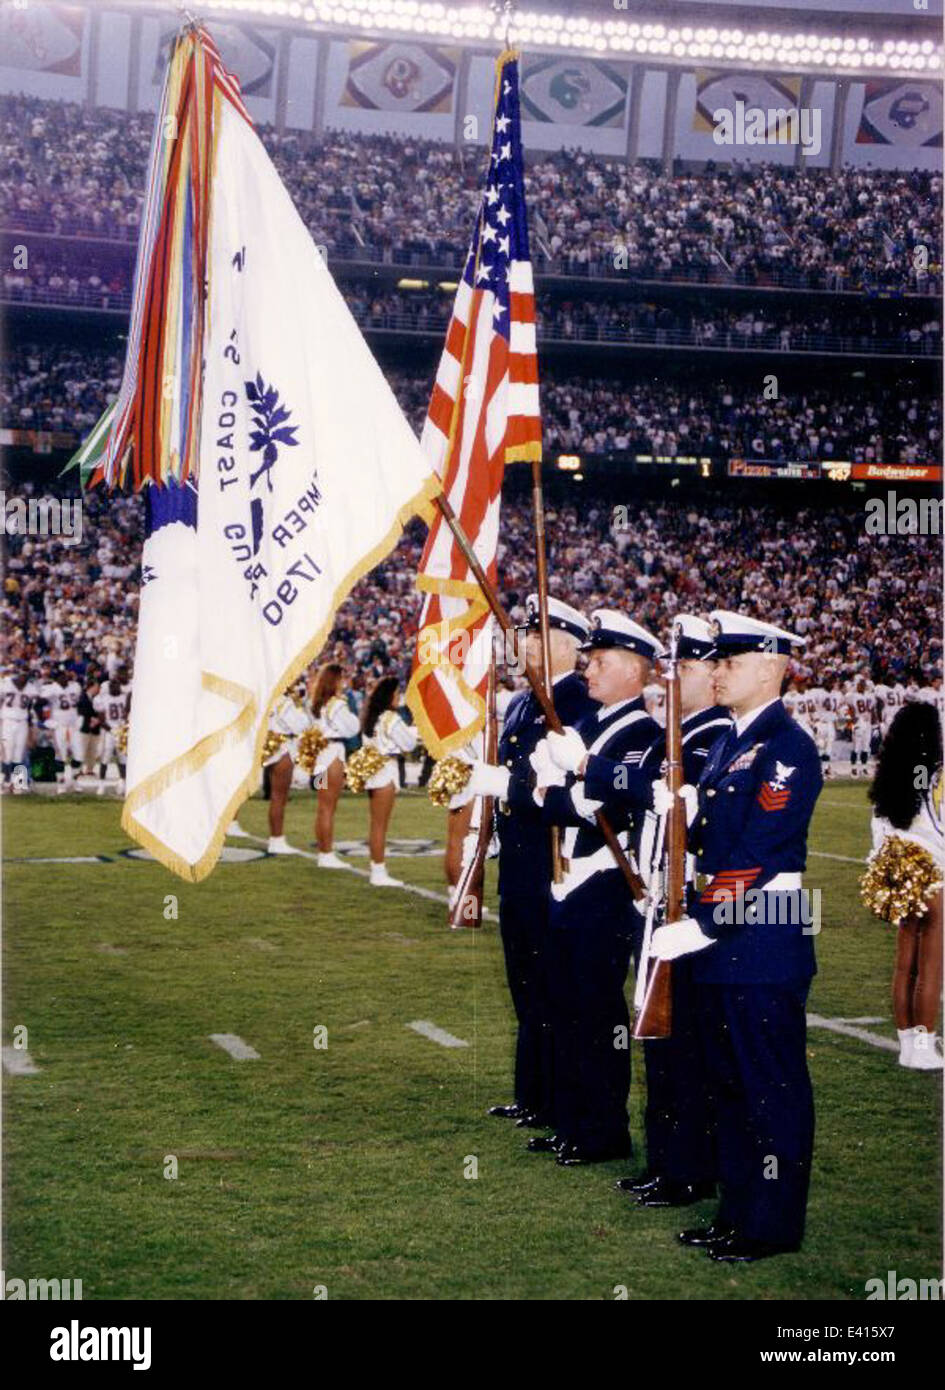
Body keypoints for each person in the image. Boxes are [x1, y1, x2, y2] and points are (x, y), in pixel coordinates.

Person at [652, 610, 822, 1263]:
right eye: (714, 661)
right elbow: (715, 840)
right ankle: (735, 1211)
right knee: (727, 1081)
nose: (715, 671)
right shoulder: (730, 741)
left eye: (728, 661)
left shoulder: (785, 746)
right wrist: (683, 817)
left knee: (767, 1084)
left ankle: (768, 1225)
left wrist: (701, 921)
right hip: (726, 937)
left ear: (771, 666)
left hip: (764, 934)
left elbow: (762, 853)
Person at [548, 613, 731, 1206]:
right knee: (659, 1032)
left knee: (680, 1037)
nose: (677, 676)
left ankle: (687, 1166)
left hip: (690, 899)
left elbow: (641, 781)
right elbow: (637, 780)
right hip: (656, 895)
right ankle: (668, 1162)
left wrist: (588, 769)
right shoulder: (679, 732)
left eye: (692, 665)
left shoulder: (709, 736)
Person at [454, 595, 597, 1129]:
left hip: (553, 863)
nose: (523, 643)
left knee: (554, 983)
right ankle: (533, 1095)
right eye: (523, 633)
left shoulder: (577, 701)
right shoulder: (520, 702)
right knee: (524, 980)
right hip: (518, 860)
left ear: (565, 644)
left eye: (535, 635)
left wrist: (506, 784)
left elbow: (571, 785)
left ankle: (558, 1100)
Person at [530, 610, 664, 1165]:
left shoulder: (642, 733)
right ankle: (573, 1119)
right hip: (569, 881)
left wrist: (556, 795)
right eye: (588, 660)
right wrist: (557, 795)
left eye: (601, 662)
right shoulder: (589, 726)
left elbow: (598, 806)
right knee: (566, 1004)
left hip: (605, 882)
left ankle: (604, 1129)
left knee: (595, 1008)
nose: (588, 671)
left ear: (635, 670)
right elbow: (558, 798)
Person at [867, 702, 943, 1070]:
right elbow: (932, 819)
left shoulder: (888, 772)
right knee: (931, 966)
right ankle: (925, 1047)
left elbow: (881, 826)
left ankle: (907, 1045)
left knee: (905, 964)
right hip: (930, 872)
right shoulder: (927, 772)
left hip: (897, 869)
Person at [360, 675, 418, 887]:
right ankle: (378, 871)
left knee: (376, 824)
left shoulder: (373, 716)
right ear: (389, 695)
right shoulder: (391, 718)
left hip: (376, 769)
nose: (398, 697)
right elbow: (410, 743)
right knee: (380, 825)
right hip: (385, 770)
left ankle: (377, 869)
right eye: (396, 693)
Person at [310, 662, 360, 869]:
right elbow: (353, 728)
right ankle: (326, 854)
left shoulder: (319, 703)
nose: (345, 682)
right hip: (333, 758)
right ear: (336, 680)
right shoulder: (337, 704)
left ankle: (324, 852)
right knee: (329, 808)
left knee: (322, 807)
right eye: (342, 678)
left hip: (321, 759)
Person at [263, 689, 313, 855]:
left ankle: (276, 839)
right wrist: (300, 709)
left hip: (270, 744)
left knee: (277, 796)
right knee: (279, 797)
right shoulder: (283, 701)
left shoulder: (269, 696)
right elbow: (300, 725)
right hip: (282, 747)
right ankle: (276, 839)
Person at [92, 676, 129, 796]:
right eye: (112, 685)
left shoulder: (124, 698)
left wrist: (123, 729)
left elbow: (128, 715)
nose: (115, 687)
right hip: (109, 732)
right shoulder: (104, 699)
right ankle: (101, 784)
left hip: (122, 731)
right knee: (105, 757)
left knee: (123, 758)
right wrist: (112, 730)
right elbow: (101, 720)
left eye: (116, 685)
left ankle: (122, 783)